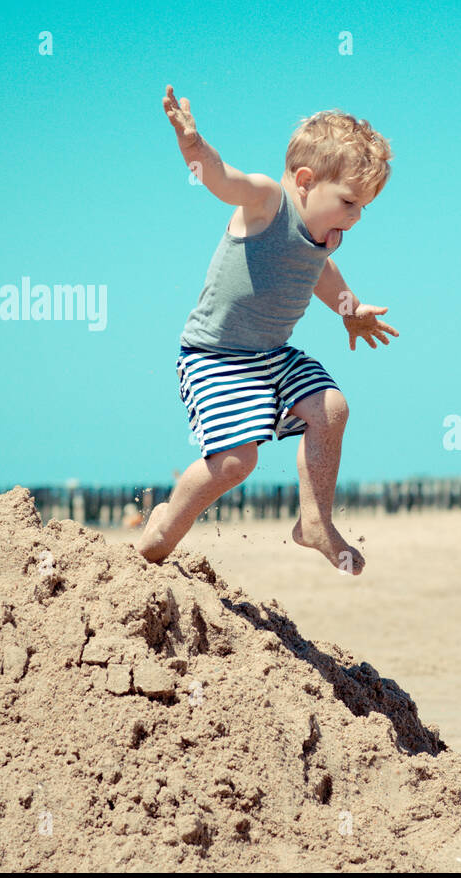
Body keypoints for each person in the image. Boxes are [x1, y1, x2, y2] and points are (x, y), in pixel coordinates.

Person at [137, 86, 398, 574]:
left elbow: (321, 273)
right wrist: (193, 146)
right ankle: (163, 528)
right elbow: (222, 179)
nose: (355, 218)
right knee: (236, 463)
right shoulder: (267, 202)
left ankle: (314, 522)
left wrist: (350, 311)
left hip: (273, 356)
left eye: (363, 207)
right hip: (215, 356)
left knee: (332, 408)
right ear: (305, 180)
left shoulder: (324, 235)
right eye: (348, 202)